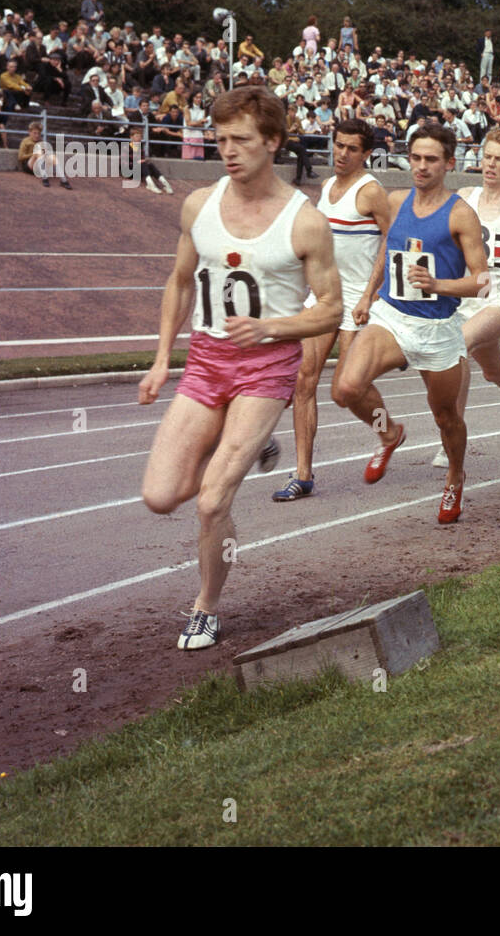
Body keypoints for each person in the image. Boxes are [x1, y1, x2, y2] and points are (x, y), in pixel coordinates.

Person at [139, 85, 344, 650]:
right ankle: (248, 444)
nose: (228, 151)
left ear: (273, 142)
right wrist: (161, 360)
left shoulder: (305, 223)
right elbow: (181, 282)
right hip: (206, 362)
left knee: (211, 500)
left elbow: (332, 307)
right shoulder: (199, 205)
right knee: (161, 495)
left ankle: (206, 606)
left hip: (265, 367)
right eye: (220, 139)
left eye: (242, 140)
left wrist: (271, 327)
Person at [331, 122, 488, 524]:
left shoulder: (461, 214)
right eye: (415, 157)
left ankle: (455, 475)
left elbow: (481, 280)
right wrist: (369, 294)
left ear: (449, 163)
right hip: (391, 316)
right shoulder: (397, 199)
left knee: (445, 417)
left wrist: (439, 284)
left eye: (431, 159)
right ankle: (388, 432)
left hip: (436, 329)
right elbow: (389, 244)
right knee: (346, 388)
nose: (421, 166)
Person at [272, 119, 392, 502]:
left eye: (352, 148)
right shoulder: (326, 187)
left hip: (359, 301)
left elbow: (391, 240)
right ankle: (303, 474)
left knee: (346, 390)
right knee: (303, 380)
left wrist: (369, 295)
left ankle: (388, 432)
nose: (342, 154)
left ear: (366, 153)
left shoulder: (371, 192)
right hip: (325, 298)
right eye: (338, 145)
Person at [432, 129, 500, 468]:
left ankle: (451, 437)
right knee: (494, 371)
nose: (491, 164)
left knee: (457, 347)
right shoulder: (464, 195)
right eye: (487, 157)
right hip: (466, 295)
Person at [17, 120, 72, 188]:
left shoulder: (42, 141)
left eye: (38, 133)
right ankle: (45, 179)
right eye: (34, 133)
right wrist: (34, 153)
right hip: (29, 166)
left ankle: (64, 181)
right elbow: (20, 157)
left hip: (40, 166)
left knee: (53, 157)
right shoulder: (25, 141)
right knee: (38, 152)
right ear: (30, 132)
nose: (37, 135)